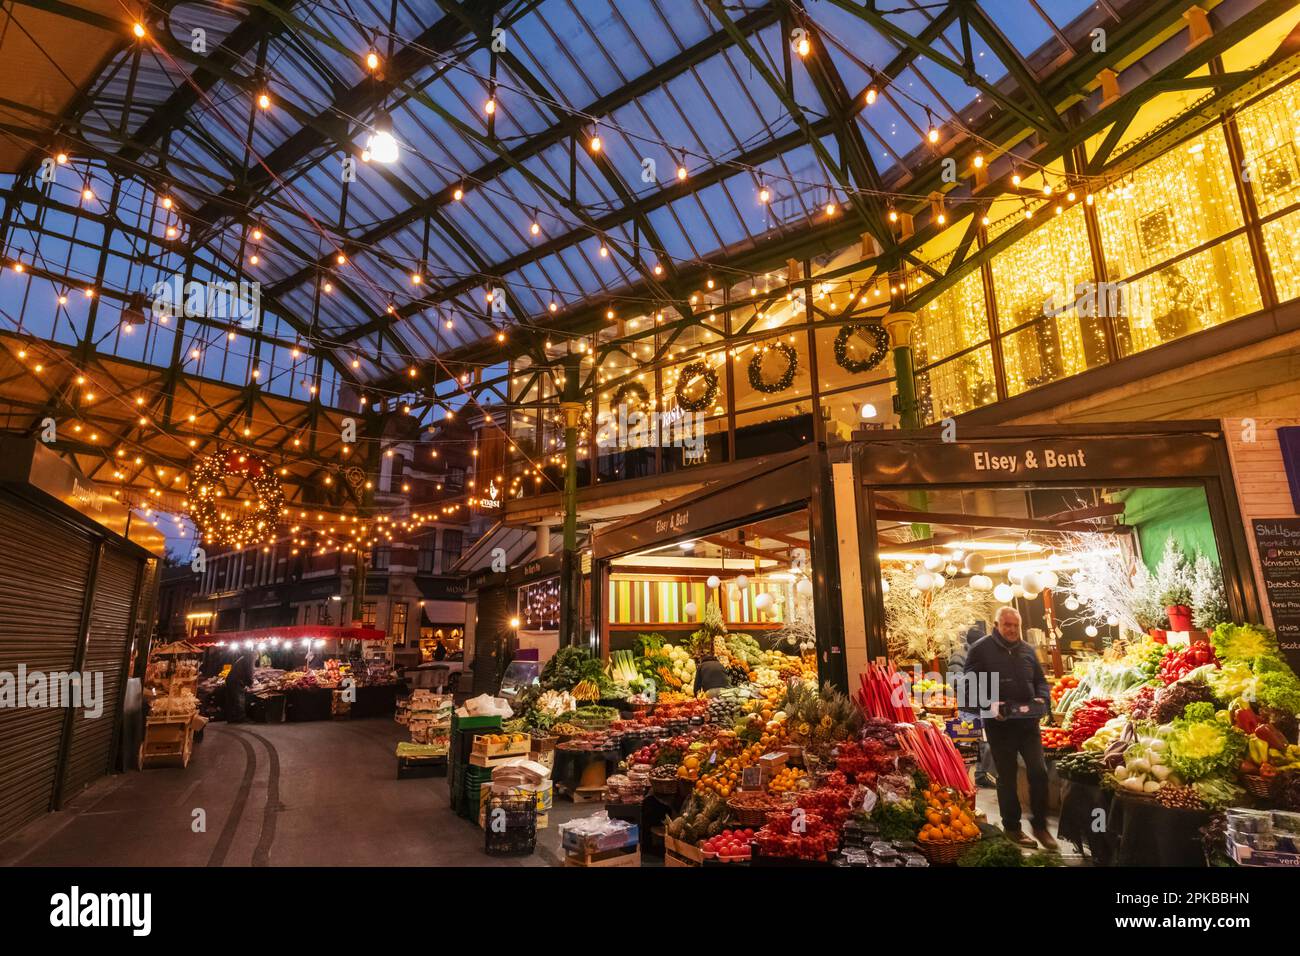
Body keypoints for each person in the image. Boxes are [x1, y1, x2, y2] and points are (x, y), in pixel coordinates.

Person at [963, 606, 1058, 850]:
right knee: (1006, 777)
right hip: (1000, 726)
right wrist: (989, 704)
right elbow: (968, 685)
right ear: (996, 625)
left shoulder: (1027, 650)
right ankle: (1012, 828)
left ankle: (1040, 826)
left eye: (1015, 625)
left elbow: (1040, 681)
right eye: (1007, 625)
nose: (1012, 629)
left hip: (1028, 724)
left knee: (1038, 772)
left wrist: (1042, 700)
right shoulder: (980, 650)